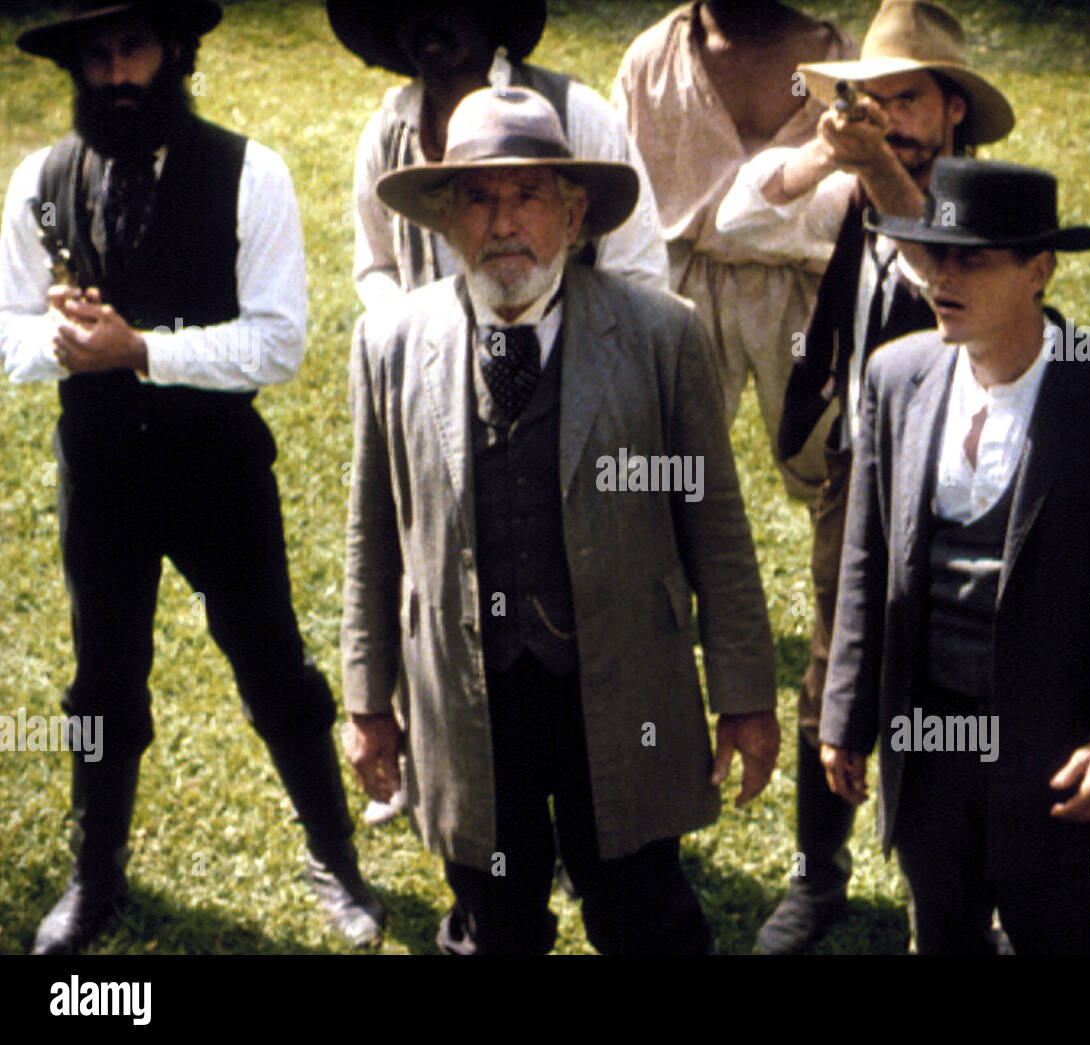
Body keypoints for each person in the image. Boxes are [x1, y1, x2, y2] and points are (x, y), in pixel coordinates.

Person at [341, 86, 780, 955]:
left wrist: (743, 695)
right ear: (442, 218)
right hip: (468, 692)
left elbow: (717, 531)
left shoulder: (659, 336)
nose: (503, 222)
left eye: (528, 195)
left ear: (574, 215)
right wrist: (367, 701)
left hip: (620, 683)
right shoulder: (391, 344)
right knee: (492, 917)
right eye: (477, 196)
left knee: (642, 907)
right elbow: (371, 536)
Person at [0, 1, 383, 954]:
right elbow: (6, 331)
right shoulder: (42, 183)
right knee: (101, 683)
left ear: (176, 51)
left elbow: (279, 340)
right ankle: (95, 875)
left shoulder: (251, 172)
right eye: (97, 57)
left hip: (218, 468)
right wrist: (62, 338)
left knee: (273, 665)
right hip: (100, 473)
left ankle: (334, 856)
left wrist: (142, 350)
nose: (118, 75)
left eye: (134, 50)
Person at [820, 157, 1090, 954]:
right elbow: (866, 558)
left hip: (1060, 756)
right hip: (930, 744)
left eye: (973, 256)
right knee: (941, 933)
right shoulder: (896, 377)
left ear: (1039, 269)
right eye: (935, 254)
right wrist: (847, 712)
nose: (944, 275)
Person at [715, 0, 1014, 953]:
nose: (892, 118)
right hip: (864, 464)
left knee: (977, 682)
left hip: (981, 474)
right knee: (833, 665)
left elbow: (941, 265)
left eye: (911, 99)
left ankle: (999, 888)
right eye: (873, 99)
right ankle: (819, 874)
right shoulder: (852, 185)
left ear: (954, 109)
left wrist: (873, 163)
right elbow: (738, 209)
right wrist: (820, 156)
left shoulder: (987, 196)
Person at [612, 0, 857, 502]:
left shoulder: (838, 60)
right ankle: (667, 576)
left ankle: (844, 577)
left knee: (837, 466)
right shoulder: (653, 61)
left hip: (807, 285)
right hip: (684, 281)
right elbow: (619, 193)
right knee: (660, 470)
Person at [327, 0, 668, 312]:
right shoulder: (388, 135)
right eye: (407, 6)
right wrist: (420, 338)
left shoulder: (575, 114)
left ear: (486, 12)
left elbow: (638, 270)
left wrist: (591, 357)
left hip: (570, 359)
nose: (425, 19)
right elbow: (377, 268)